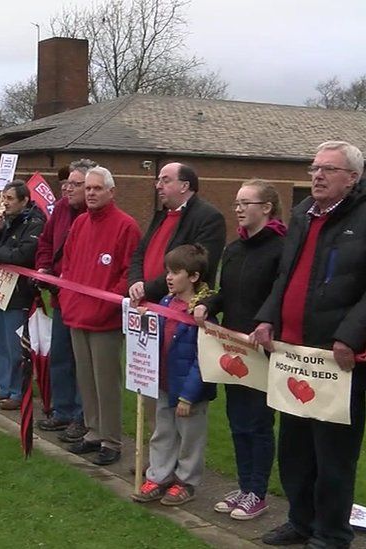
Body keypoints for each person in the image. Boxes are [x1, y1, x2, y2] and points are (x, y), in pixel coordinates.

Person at [252, 141, 366, 548]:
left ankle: (332, 534)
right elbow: (286, 275)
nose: (317, 175)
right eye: (314, 168)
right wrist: (267, 316)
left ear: (352, 178)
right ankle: (300, 522)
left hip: (337, 358)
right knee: (295, 448)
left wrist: (350, 335)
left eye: (328, 169)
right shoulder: (302, 216)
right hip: (293, 355)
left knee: (333, 454)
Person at [189, 179, 284, 520]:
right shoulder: (234, 249)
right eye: (237, 203)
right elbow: (226, 292)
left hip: (263, 350)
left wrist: (266, 320)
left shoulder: (281, 248)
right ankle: (244, 486)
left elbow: (280, 295)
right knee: (237, 420)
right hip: (233, 349)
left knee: (257, 422)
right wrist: (208, 305)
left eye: (247, 202)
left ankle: (257, 491)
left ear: (267, 208)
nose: (239, 209)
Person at [59, 166, 141, 466]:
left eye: (97, 188)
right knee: (86, 379)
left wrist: (106, 304)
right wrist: (68, 299)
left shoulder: (126, 226)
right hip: (76, 315)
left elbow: (127, 273)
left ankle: (111, 439)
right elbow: (67, 265)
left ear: (111, 192)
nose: (91, 193)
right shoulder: (80, 223)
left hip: (104, 319)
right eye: (88, 188)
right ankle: (93, 431)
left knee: (106, 382)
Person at [131, 244, 217, 507]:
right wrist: (147, 319)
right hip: (165, 384)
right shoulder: (166, 303)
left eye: (176, 272)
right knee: (163, 432)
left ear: (193, 277)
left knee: (190, 438)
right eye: (167, 271)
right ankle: (159, 475)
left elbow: (205, 358)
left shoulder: (201, 312)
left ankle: (186, 481)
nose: (168, 277)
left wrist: (189, 396)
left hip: (190, 391)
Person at [34, 159, 92, 444]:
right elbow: (45, 242)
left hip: (85, 301)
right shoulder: (60, 209)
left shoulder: (93, 216)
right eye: (66, 183)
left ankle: (82, 416)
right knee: (60, 355)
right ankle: (63, 409)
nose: (68, 188)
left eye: (75, 184)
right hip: (61, 296)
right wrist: (45, 267)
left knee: (83, 361)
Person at [0, 181, 46, 411]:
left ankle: (18, 391)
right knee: (0, 342)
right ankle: (3, 386)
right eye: (3, 198)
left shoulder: (34, 223)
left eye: (10, 198)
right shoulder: (9, 222)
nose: (5, 203)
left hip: (18, 294)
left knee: (14, 345)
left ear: (24, 200)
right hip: (1, 291)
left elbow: (24, 254)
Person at [128, 162, 225, 305]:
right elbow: (140, 253)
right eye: (158, 180)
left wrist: (147, 289)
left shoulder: (209, 218)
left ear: (184, 186)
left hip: (180, 309)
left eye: (165, 180)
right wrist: (136, 282)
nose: (158, 186)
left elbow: (196, 267)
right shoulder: (161, 215)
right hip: (146, 304)